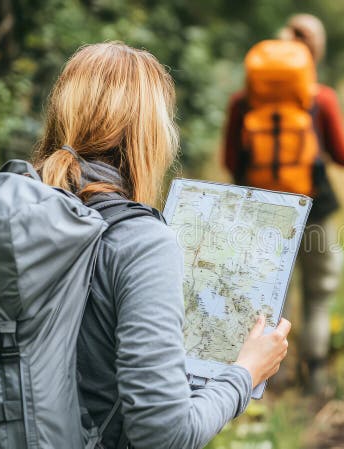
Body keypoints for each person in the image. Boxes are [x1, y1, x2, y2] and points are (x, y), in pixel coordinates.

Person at [33, 42, 291, 449]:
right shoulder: (141, 242)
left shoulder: (12, 211)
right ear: (150, 134)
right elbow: (165, 435)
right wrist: (245, 372)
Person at [223, 14, 344, 395]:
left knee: (267, 296)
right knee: (318, 292)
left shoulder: (243, 101)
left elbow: (232, 162)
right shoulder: (321, 99)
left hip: (261, 211)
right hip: (315, 207)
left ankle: (260, 380)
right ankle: (314, 374)